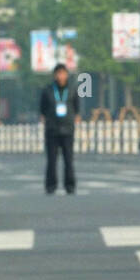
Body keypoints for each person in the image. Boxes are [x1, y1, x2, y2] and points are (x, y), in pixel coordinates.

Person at [39, 63, 80, 194]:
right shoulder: (48, 90)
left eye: (63, 73)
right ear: (55, 75)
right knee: (51, 160)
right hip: (52, 129)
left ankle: (70, 185)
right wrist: (44, 118)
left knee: (69, 159)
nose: (61, 76)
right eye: (58, 73)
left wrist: (77, 117)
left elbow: (77, 107)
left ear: (66, 74)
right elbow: (42, 109)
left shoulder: (73, 89)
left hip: (68, 129)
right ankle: (50, 186)